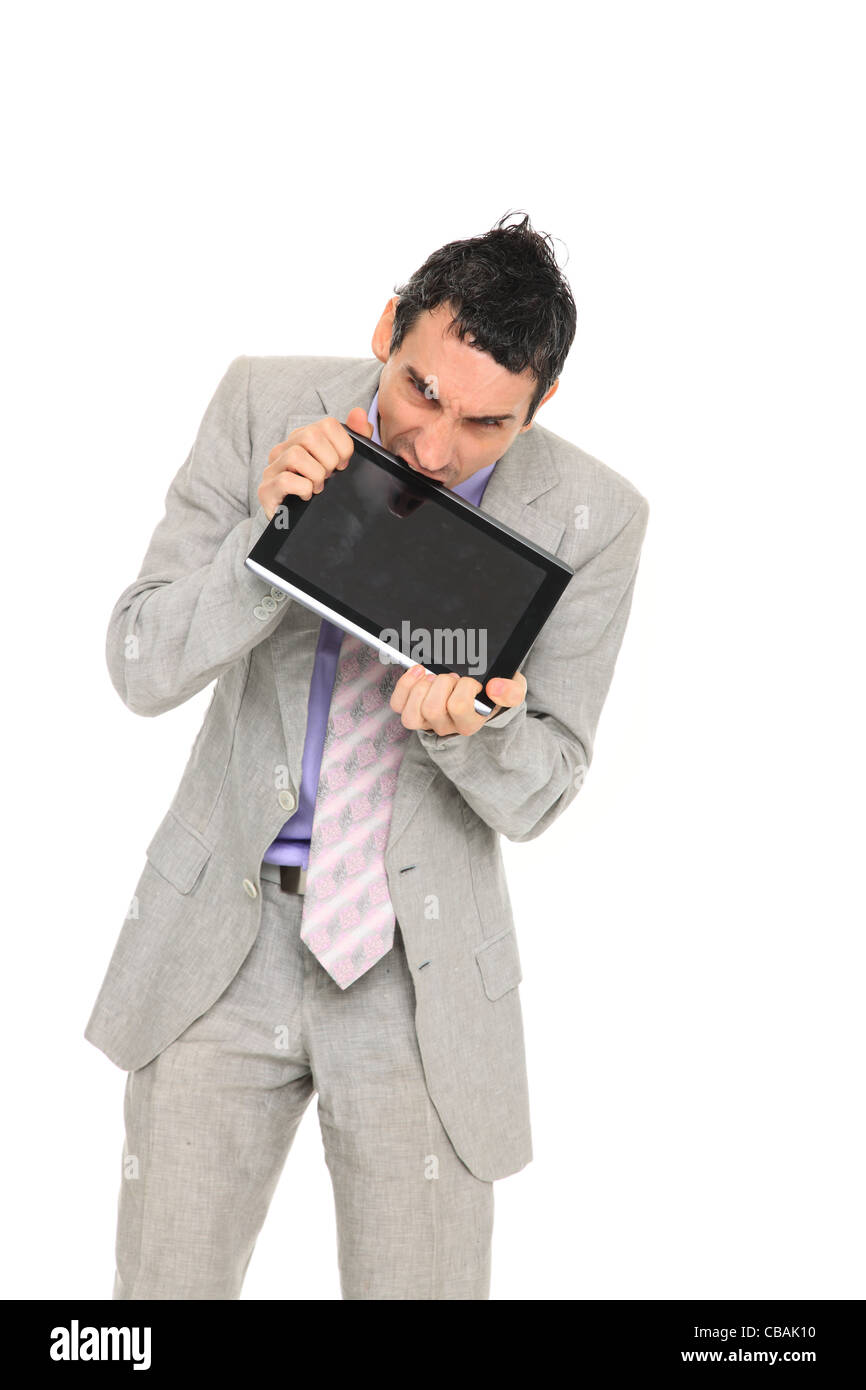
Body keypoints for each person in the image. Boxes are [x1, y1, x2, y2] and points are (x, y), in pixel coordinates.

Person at [84, 212, 650, 1300]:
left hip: (417, 971)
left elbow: (546, 786)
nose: (433, 448)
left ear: (540, 406)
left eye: (486, 423)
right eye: (420, 391)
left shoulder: (594, 519)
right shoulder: (260, 404)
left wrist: (466, 732)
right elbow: (138, 661)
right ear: (388, 327)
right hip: (220, 942)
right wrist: (268, 549)